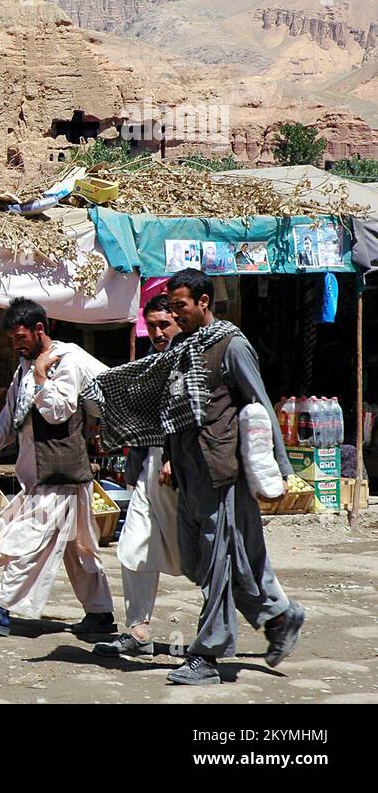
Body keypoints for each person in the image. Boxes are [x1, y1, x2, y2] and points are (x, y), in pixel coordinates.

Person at [83, 268, 305, 685]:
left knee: (221, 560)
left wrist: (282, 469)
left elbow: (259, 405)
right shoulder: (183, 348)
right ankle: (277, 618)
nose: (174, 313)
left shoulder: (231, 345)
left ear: (204, 303)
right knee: (199, 559)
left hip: (222, 471)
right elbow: (166, 406)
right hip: (188, 474)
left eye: (180, 305)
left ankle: (207, 655)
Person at [0, 298, 115, 637]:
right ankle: (101, 613)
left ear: (39, 329)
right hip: (39, 472)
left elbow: (58, 411)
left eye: (21, 337)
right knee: (78, 548)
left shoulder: (66, 361)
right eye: (13, 339)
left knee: (30, 541)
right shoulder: (24, 366)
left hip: (59, 473)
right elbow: (10, 414)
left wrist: (43, 375)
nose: (16, 345)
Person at [93, 295, 182, 658]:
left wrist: (177, 457)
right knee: (133, 546)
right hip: (151, 468)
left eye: (165, 325)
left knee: (204, 555)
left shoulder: (191, 360)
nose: (159, 333)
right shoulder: (152, 365)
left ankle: (268, 614)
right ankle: (139, 630)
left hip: (183, 468)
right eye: (154, 326)